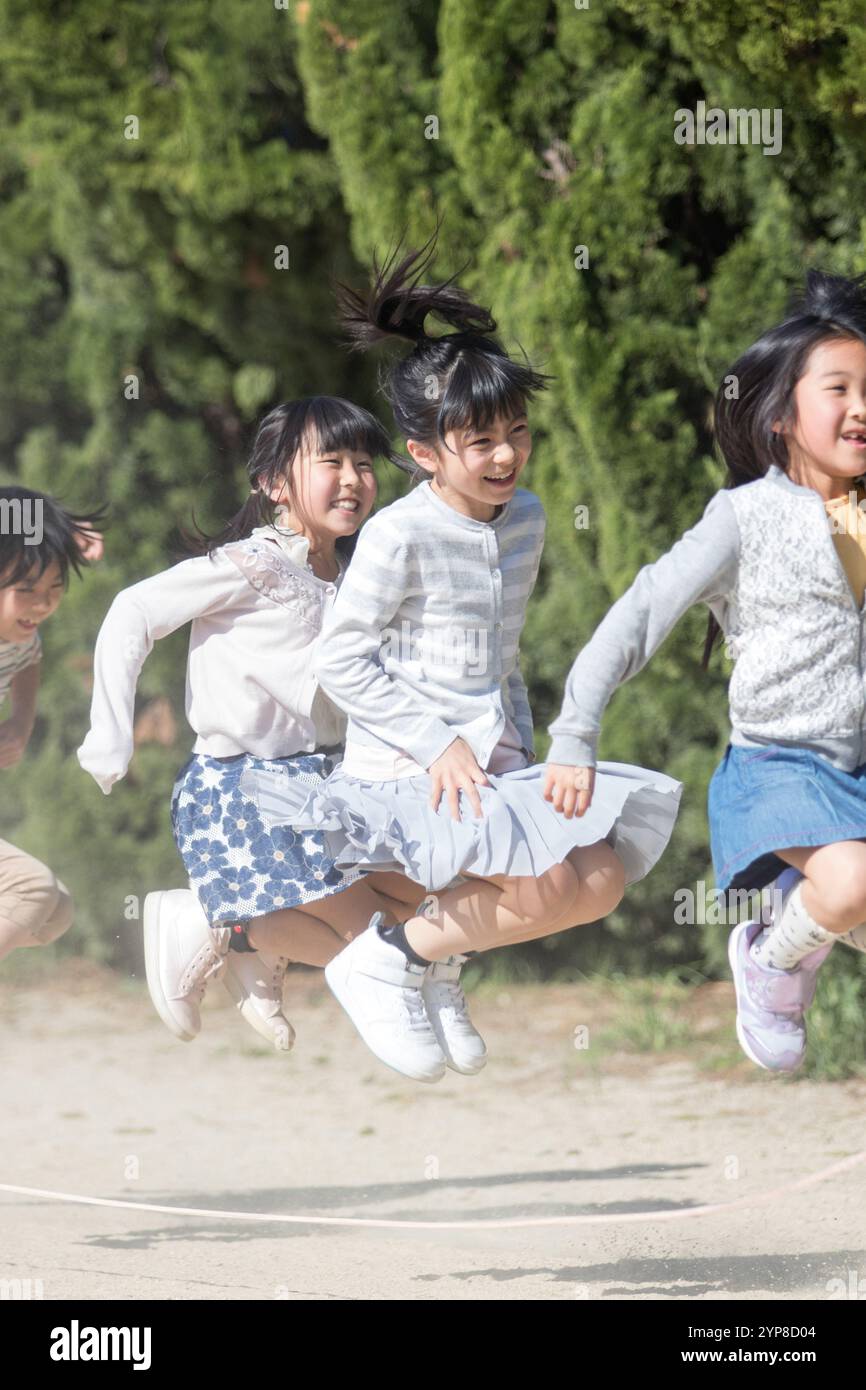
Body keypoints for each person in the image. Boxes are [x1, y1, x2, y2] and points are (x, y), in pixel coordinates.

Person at [245, 240, 682, 1083]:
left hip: (496, 765)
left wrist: (523, 745)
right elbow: (343, 657)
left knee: (599, 880)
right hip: (414, 769)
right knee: (548, 887)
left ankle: (429, 961)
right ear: (424, 453)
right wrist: (438, 740)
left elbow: (502, 655)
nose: (506, 456)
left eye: (516, 432)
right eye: (480, 441)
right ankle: (386, 962)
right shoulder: (399, 535)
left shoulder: (528, 519)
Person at [544, 268, 866, 1074]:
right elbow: (641, 614)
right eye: (840, 388)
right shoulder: (744, 517)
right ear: (783, 413)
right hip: (779, 765)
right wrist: (575, 731)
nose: (862, 407)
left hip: (860, 766)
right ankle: (768, 959)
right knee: (852, 880)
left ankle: (800, 922)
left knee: (850, 892)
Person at [77, 397, 428, 1050]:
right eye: (332, 461)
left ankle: (241, 934)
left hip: (330, 784)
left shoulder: (358, 579)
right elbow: (132, 611)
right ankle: (220, 925)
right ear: (272, 484)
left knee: (411, 910)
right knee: (377, 938)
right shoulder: (250, 564)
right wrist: (110, 733)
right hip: (244, 792)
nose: (353, 478)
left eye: (363, 463)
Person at [0, 485, 103, 962]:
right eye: (27, 592)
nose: (42, 605)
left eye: (54, 591)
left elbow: (29, 661)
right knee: (32, 891)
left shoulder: (19, 639)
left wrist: (20, 723)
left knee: (55, 910)